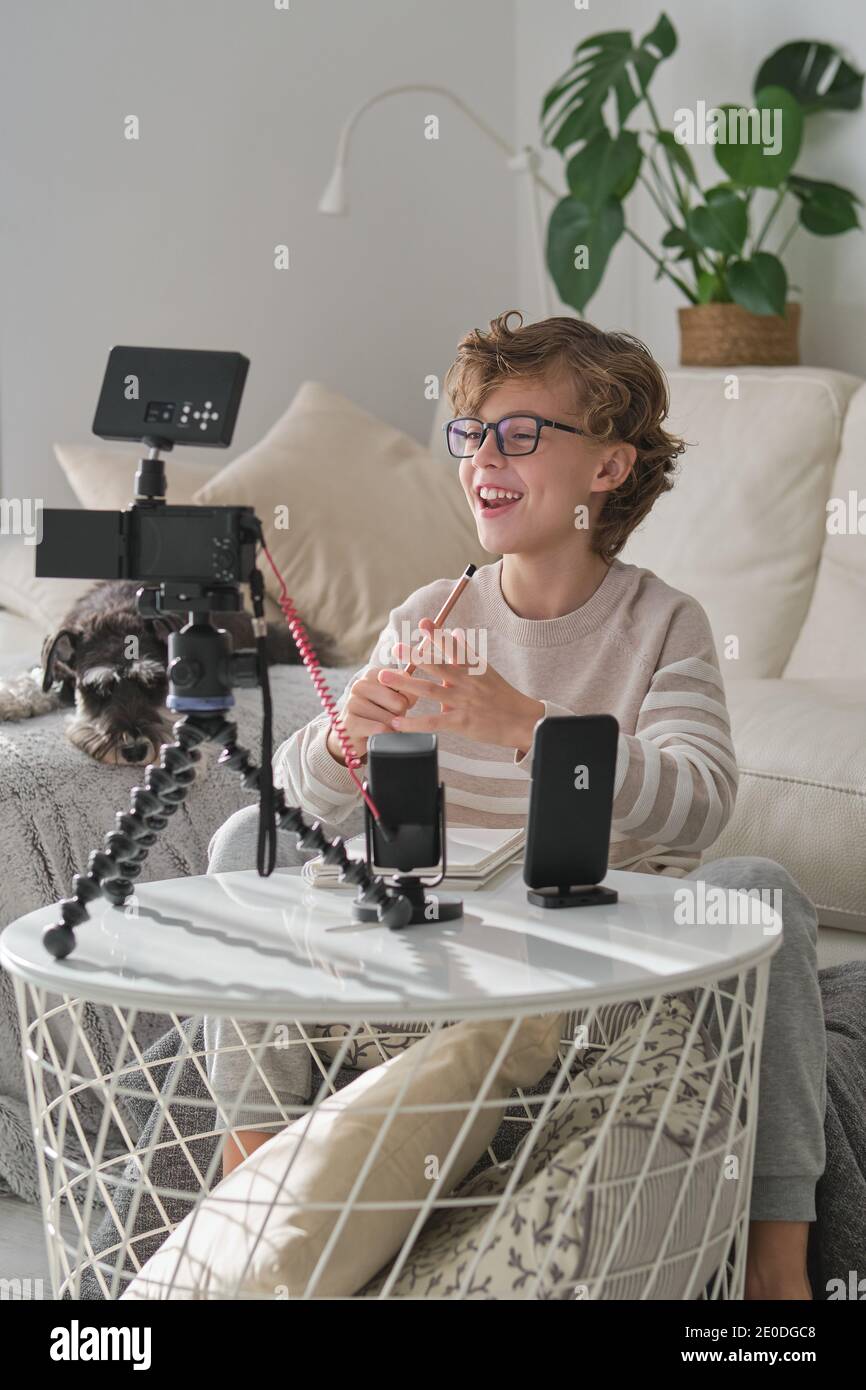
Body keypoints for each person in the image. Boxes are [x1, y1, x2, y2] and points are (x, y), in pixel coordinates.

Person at [204, 310, 825, 1300]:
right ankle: (255, 1183)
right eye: (472, 432)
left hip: (595, 958)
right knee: (246, 839)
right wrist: (341, 742)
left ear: (608, 469)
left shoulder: (662, 623)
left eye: (521, 433)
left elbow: (698, 803)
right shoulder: (428, 613)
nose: (484, 455)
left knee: (760, 891)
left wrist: (529, 729)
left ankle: (777, 1264)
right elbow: (302, 804)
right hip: (432, 946)